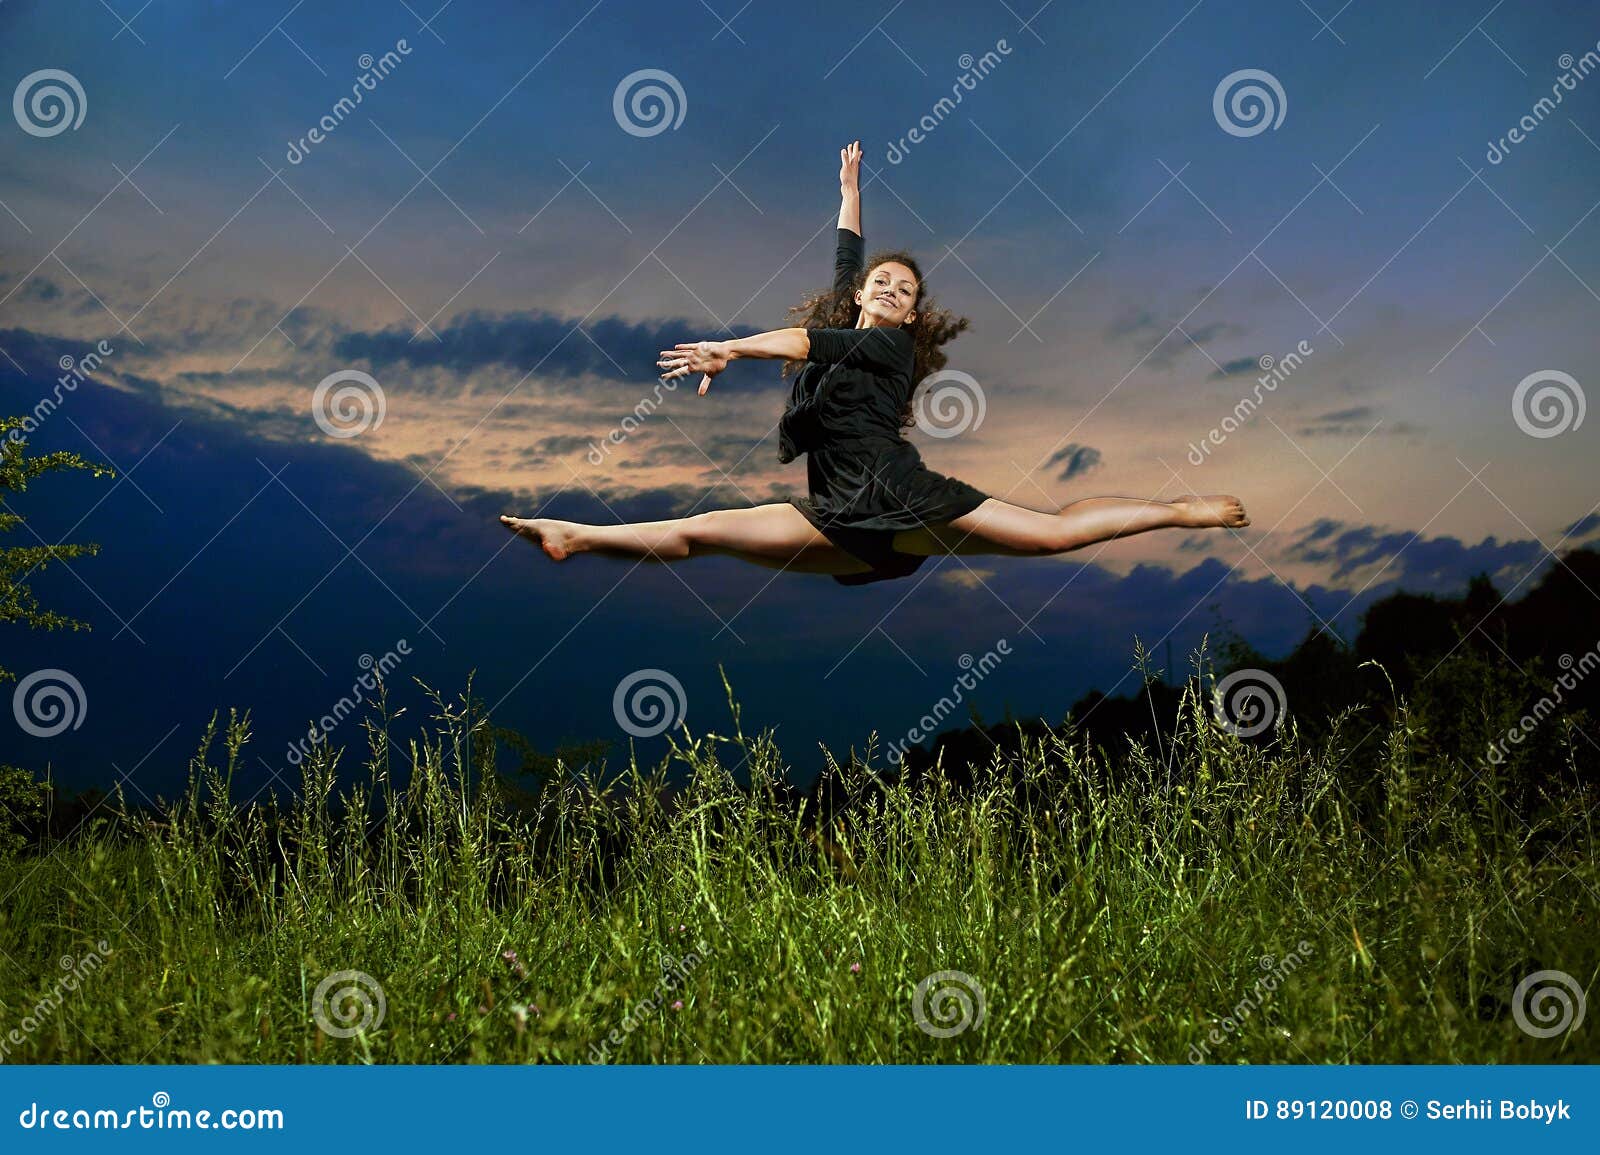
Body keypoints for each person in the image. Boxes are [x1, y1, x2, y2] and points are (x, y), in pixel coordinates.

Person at [501, 141, 1248, 584]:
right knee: (705, 531)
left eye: (906, 291)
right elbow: (845, 264)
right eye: (881, 283)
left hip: (902, 496)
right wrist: (851, 192)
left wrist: (729, 346)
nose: (891, 291)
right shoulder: (849, 312)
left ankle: (1180, 509)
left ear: (911, 316)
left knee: (1052, 535)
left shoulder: (887, 344)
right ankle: (575, 534)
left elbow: (802, 343)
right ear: (861, 294)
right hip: (839, 516)